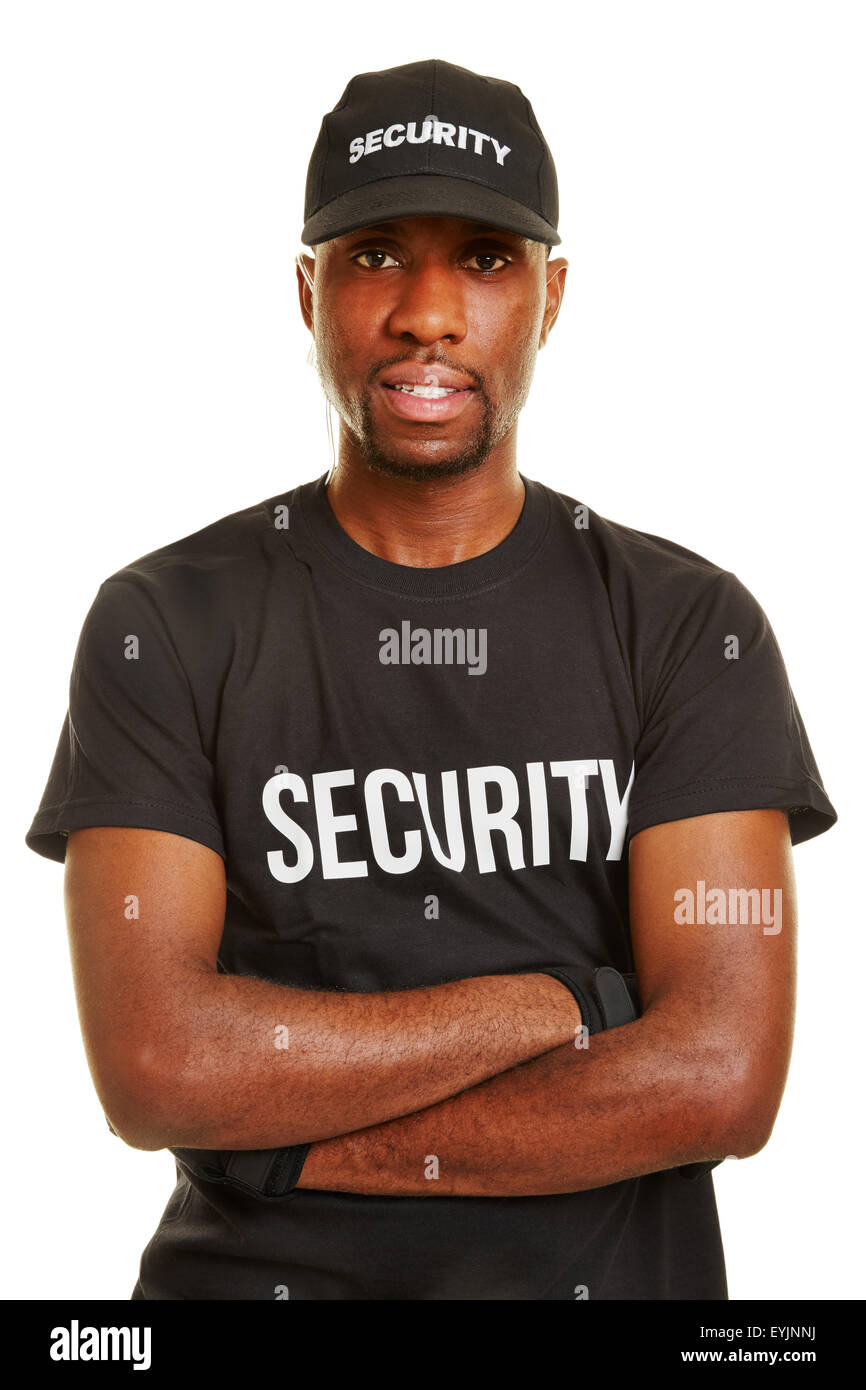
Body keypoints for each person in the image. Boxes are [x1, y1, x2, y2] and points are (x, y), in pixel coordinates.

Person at [25, 57, 837, 1301]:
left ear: (551, 297)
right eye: (374, 255)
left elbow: (716, 1078)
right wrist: (555, 1002)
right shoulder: (165, 623)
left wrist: (289, 1142)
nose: (427, 312)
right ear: (307, 291)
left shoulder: (686, 626)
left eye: (485, 258)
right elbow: (156, 1065)